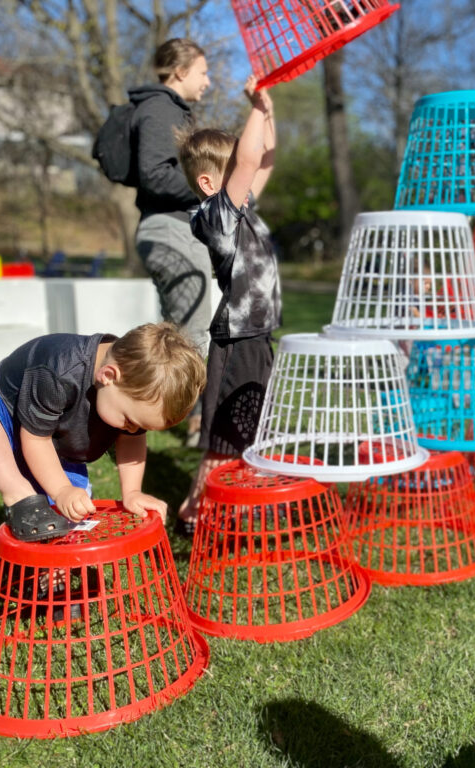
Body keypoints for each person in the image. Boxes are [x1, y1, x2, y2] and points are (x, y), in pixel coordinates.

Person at [0, 323, 206, 541]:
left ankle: (54, 579)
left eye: (142, 427)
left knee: (70, 518)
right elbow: (35, 438)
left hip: (57, 443)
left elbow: (132, 440)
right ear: (108, 375)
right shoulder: (58, 370)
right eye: (129, 420)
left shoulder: (128, 385)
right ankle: (21, 497)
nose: (133, 430)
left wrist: (132, 492)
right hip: (5, 424)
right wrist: (61, 490)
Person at [174, 75, 280, 534]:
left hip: (254, 336)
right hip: (236, 339)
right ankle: (195, 513)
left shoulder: (237, 212)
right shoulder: (216, 217)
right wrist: (255, 107)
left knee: (247, 431)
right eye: (234, 170)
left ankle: (229, 507)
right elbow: (251, 156)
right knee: (224, 440)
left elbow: (264, 160)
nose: (247, 176)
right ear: (208, 181)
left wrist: (267, 108)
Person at [130, 38, 214, 443]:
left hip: (170, 229)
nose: (208, 81)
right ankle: (197, 422)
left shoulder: (168, 109)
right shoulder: (160, 109)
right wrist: (208, 189)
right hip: (169, 230)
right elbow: (155, 176)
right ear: (180, 72)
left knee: (179, 332)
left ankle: (169, 412)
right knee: (193, 333)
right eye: (202, 71)